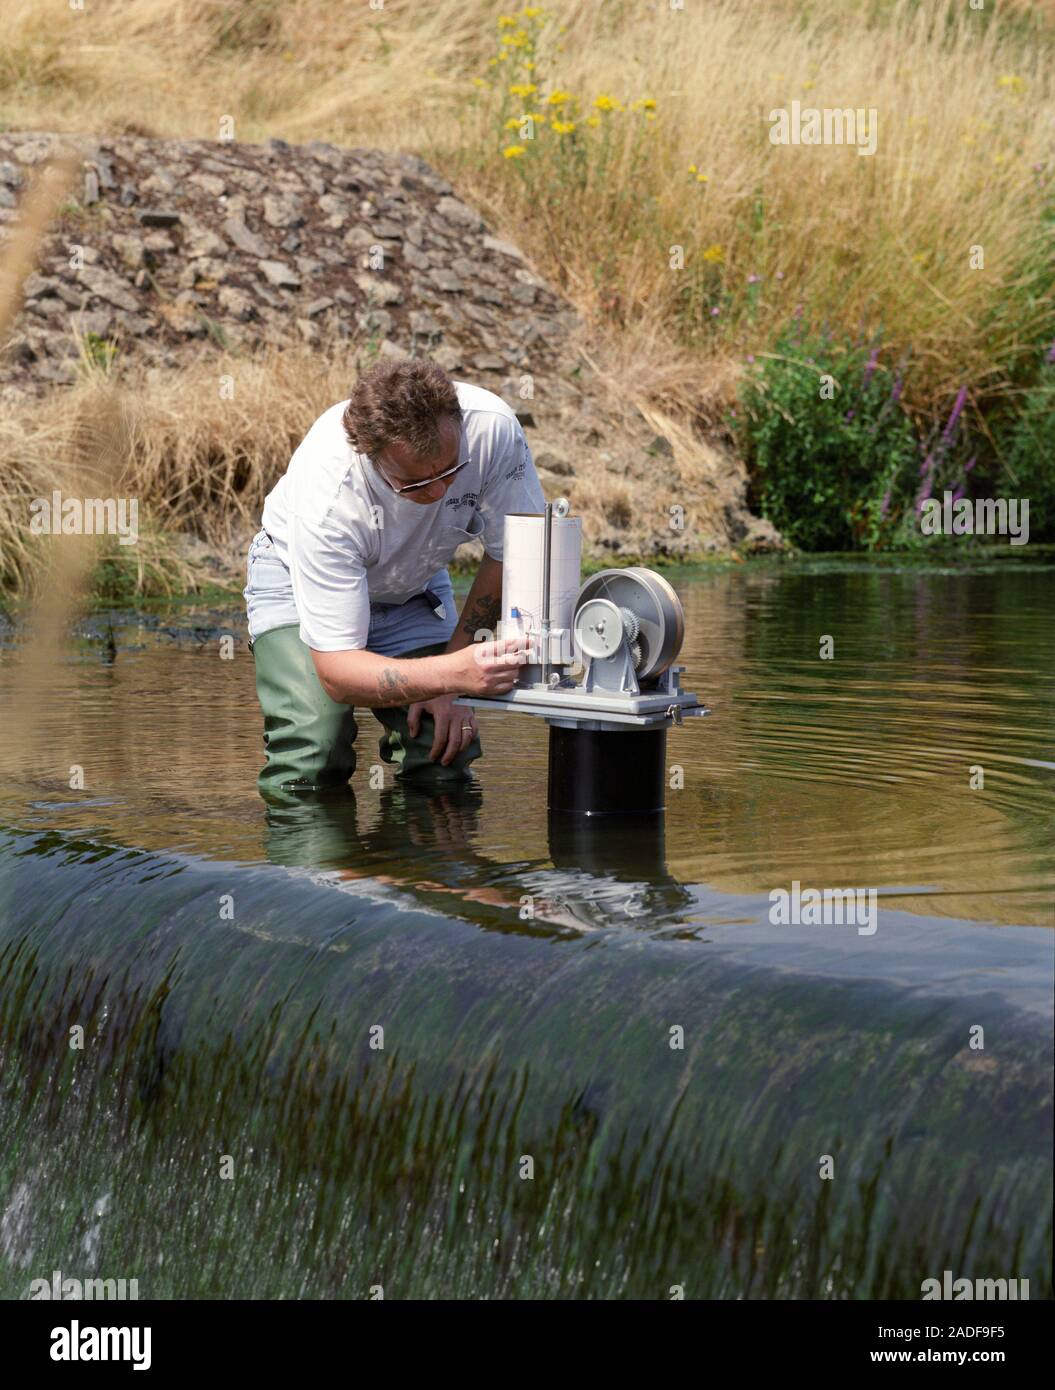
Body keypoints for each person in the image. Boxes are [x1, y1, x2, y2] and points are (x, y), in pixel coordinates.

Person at [244, 356, 545, 799]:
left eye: (451, 471)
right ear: (369, 451)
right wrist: (450, 673)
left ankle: (420, 866)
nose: (440, 491)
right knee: (314, 752)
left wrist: (453, 679)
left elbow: (515, 552)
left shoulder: (492, 430)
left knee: (443, 749)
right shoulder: (330, 494)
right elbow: (339, 675)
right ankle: (312, 868)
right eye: (415, 485)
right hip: (294, 580)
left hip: (413, 587)